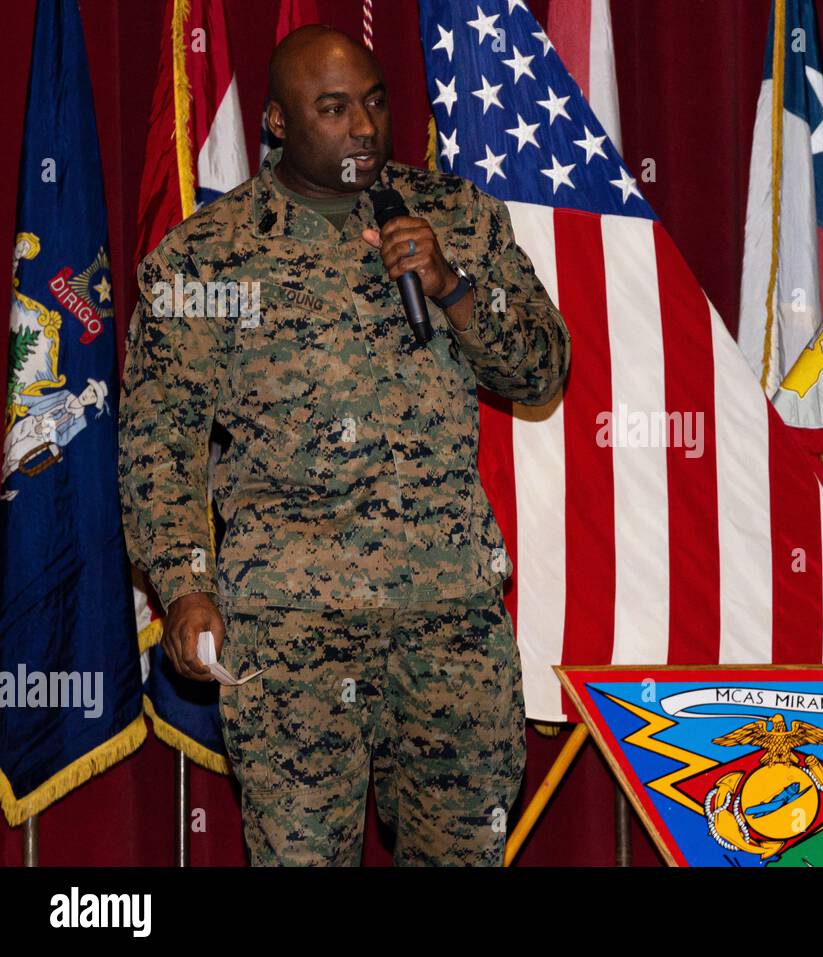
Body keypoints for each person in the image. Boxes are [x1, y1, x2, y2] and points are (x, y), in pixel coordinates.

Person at [117, 25, 570, 865]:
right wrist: (182, 585)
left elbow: (542, 370)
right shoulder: (207, 258)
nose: (362, 126)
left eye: (373, 102)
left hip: (450, 622)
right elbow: (159, 442)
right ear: (279, 124)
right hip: (291, 636)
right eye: (332, 109)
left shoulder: (455, 219)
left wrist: (455, 290)